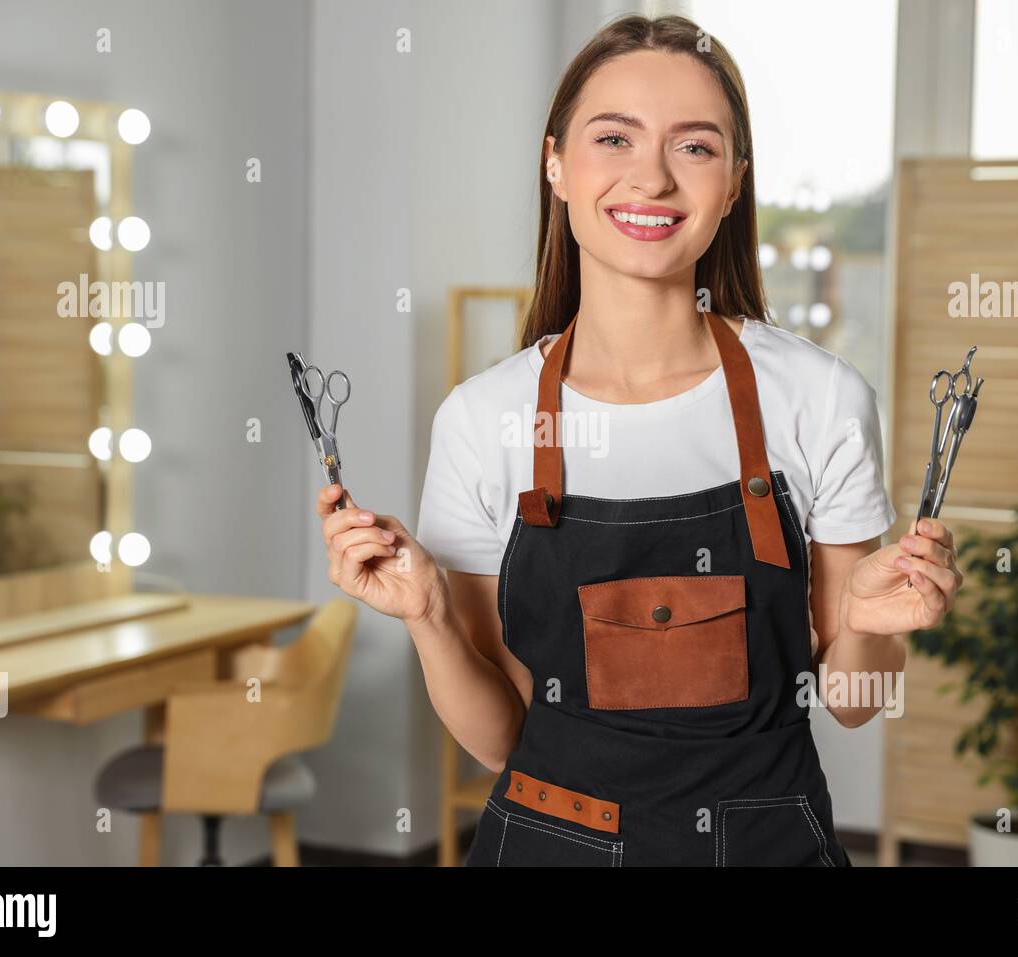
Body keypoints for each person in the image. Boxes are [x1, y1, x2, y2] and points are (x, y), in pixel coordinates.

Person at [317, 13, 962, 866]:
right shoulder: (482, 419)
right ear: (555, 163)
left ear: (733, 184)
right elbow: (501, 739)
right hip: (547, 843)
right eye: (614, 137)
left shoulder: (821, 399)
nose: (652, 177)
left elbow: (852, 700)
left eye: (694, 146)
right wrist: (430, 615)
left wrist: (871, 625)